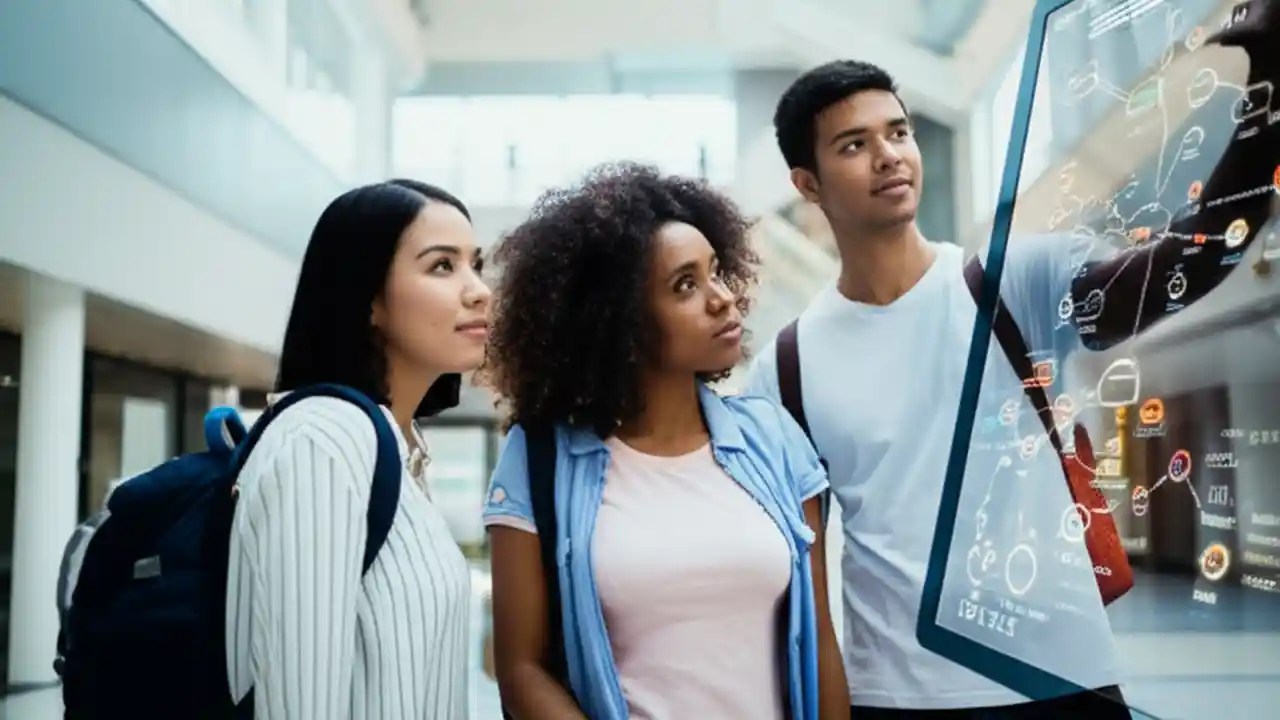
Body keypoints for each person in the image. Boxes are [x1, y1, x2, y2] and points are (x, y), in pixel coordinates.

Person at [746, 29, 1278, 719]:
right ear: (806, 183)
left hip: (1060, 680)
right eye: (854, 145)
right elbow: (790, 575)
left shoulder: (1010, 283)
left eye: (899, 132)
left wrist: (1264, 103)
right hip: (900, 696)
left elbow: (1189, 265)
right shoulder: (786, 366)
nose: (889, 156)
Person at [481, 162, 849, 720]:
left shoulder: (773, 440)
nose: (722, 298)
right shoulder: (541, 459)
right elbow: (520, 670)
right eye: (685, 285)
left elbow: (819, 640)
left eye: (717, 272)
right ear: (620, 322)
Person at [224, 179, 490, 719]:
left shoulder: (393, 445)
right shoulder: (322, 441)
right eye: (443, 266)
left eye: (475, 264)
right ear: (368, 299)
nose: (479, 289)